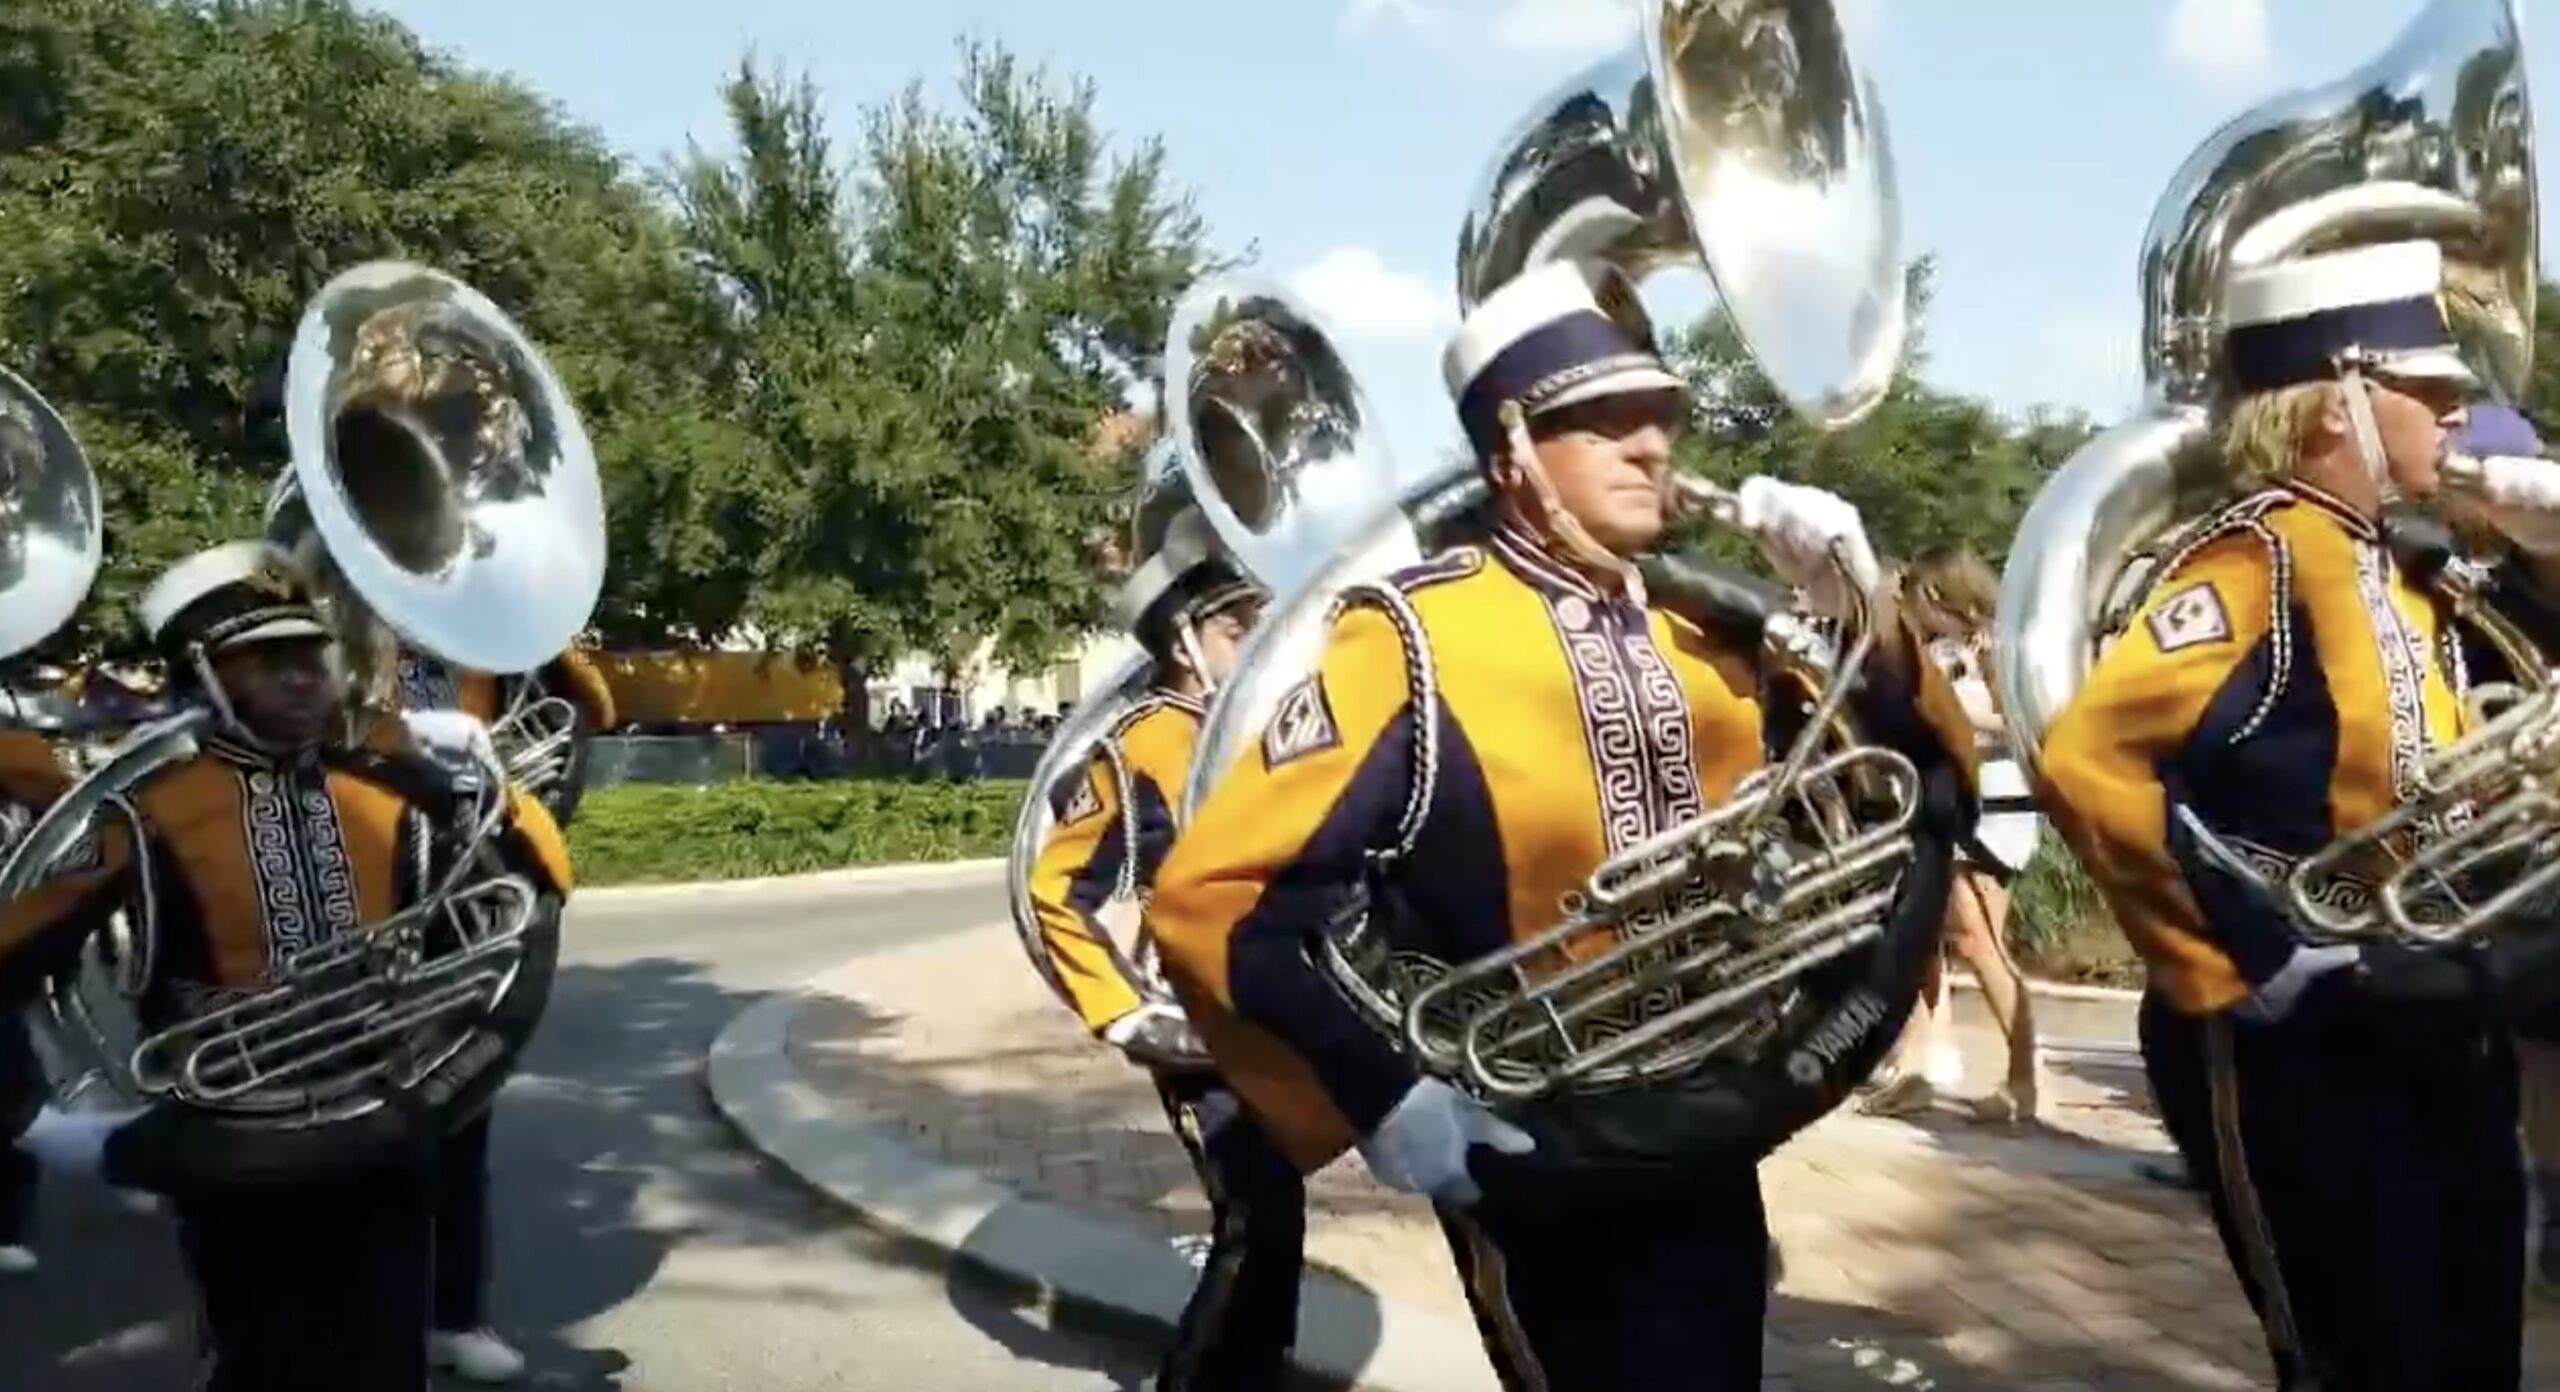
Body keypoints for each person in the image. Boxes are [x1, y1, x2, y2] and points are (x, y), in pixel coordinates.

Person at [1145, 258, 1976, 1390]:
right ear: (1513, 451)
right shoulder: (1411, 640)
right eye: (1602, 421)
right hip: (1536, 1144)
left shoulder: (1716, 635)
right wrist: (1392, 1098)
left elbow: (1920, 783)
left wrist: (1854, 609)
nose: (1650, 444)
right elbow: (1224, 903)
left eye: (1659, 417)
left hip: (1717, 1115)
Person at [2035, 239, 2560, 1390]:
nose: (2456, 405)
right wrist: (2241, 967)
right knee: (2359, 1357)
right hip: (2300, 1032)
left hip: (2429, 1000)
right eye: (2426, 388)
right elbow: (2088, 764)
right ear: (2341, 407)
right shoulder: (2254, 559)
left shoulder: (2411, 567)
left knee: (2468, 1345)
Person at [0, 539, 573, 1392]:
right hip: (234, 1140)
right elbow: (21, 944)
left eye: (311, 655)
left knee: (383, 1357)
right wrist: (37, 1117)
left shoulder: (385, 790)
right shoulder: (150, 812)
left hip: (384, 1123)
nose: (306, 677)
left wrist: (478, 786)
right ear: (210, 676)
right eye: (269, 661)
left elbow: (526, 895)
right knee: (262, 1359)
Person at [1026, 499, 1293, 1392]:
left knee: (1276, 1222)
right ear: (1185, 640)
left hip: (1282, 1011)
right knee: (1255, 1223)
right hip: (1198, 1026)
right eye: (1236, 627)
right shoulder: (1139, 743)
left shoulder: (1264, 728)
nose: (1256, 639)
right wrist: (1128, 1013)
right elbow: (1055, 889)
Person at [1861, 545, 2044, 1124]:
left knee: (1979, 944)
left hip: (1994, 806)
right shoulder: (1941, 651)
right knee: (1923, 940)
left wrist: (1957, 721)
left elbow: (2025, 723)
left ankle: (2024, 1081)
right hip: (1953, 801)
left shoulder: (2001, 649)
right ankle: (1918, 1065)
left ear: (1940, 596)